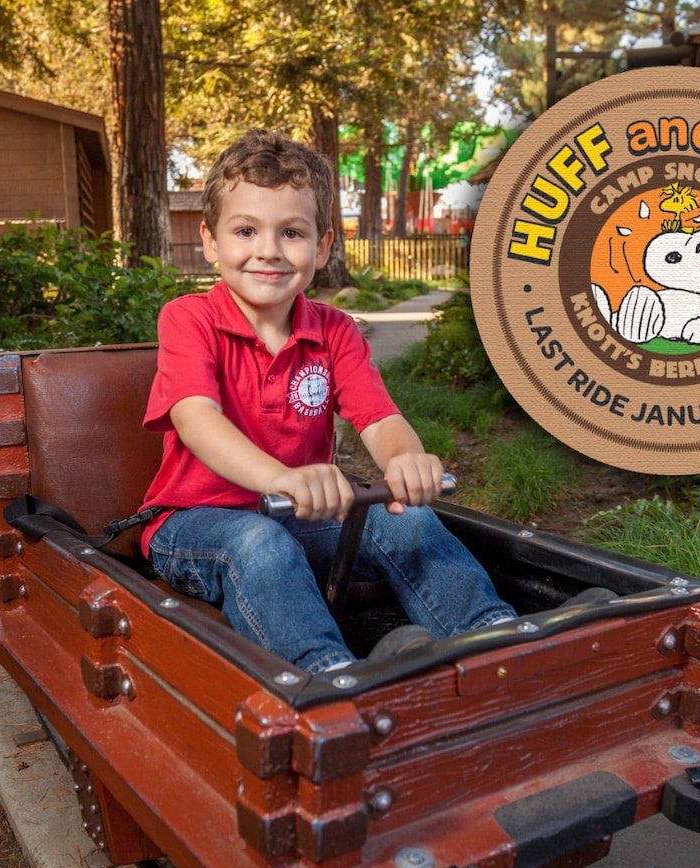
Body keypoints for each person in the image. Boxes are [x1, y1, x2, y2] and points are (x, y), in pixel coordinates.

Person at [139, 130, 515, 673]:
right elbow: (197, 418)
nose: (268, 250)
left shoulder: (334, 329)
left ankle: (495, 643)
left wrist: (404, 458)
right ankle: (325, 679)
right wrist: (282, 478)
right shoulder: (189, 319)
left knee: (407, 521)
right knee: (260, 543)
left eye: (291, 232)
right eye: (245, 230)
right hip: (194, 524)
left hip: (296, 515)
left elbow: (379, 416)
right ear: (210, 242)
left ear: (321, 246)